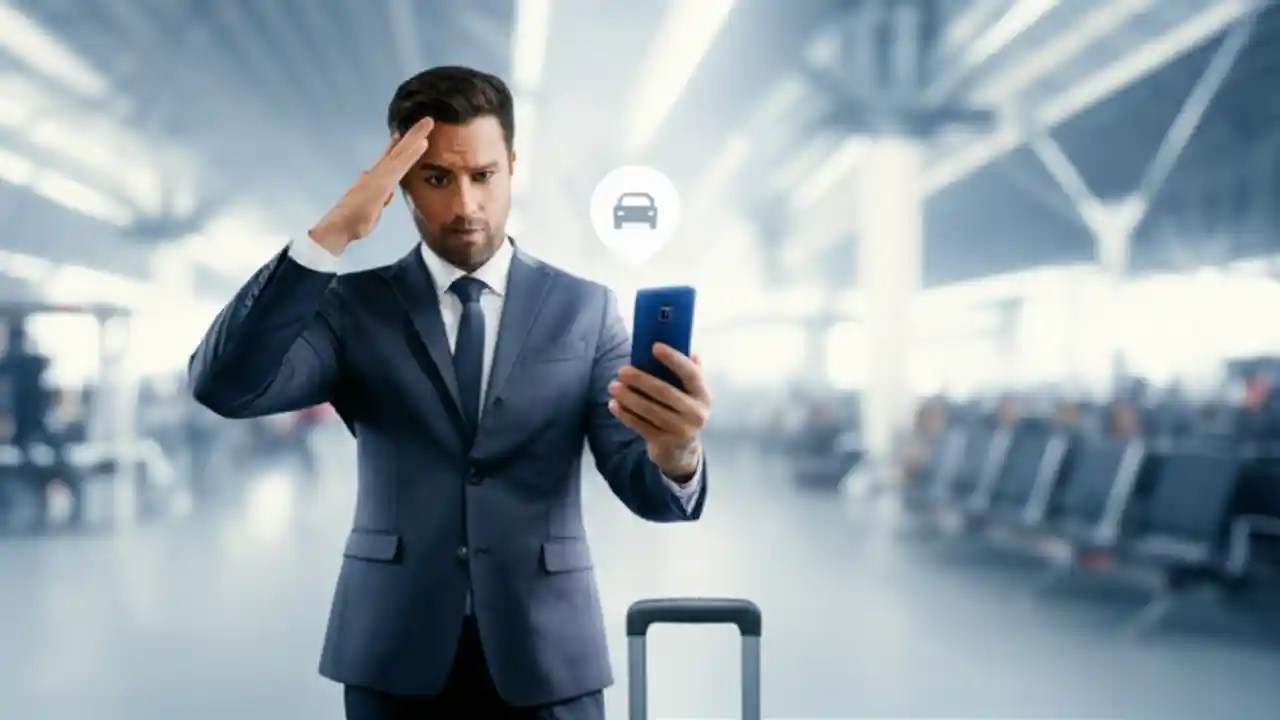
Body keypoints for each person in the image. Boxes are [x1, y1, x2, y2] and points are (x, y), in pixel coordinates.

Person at [188, 66, 712, 719]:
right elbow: (226, 385)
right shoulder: (352, 307)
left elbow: (645, 487)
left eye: (484, 175)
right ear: (399, 179)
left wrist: (677, 453)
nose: (465, 205)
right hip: (393, 653)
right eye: (437, 178)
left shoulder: (585, 309)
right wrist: (331, 235)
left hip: (548, 653)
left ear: (512, 166)